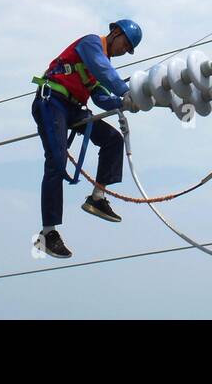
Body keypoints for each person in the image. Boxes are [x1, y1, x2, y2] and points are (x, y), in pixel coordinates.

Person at [30, 19, 142, 259]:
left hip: (72, 109)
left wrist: (124, 103)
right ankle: (47, 234)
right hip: (52, 101)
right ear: (115, 32)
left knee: (113, 139)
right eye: (126, 43)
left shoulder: (103, 63)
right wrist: (125, 92)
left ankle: (97, 197)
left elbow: (101, 96)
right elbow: (103, 70)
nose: (125, 50)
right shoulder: (92, 44)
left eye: (129, 49)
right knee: (56, 162)